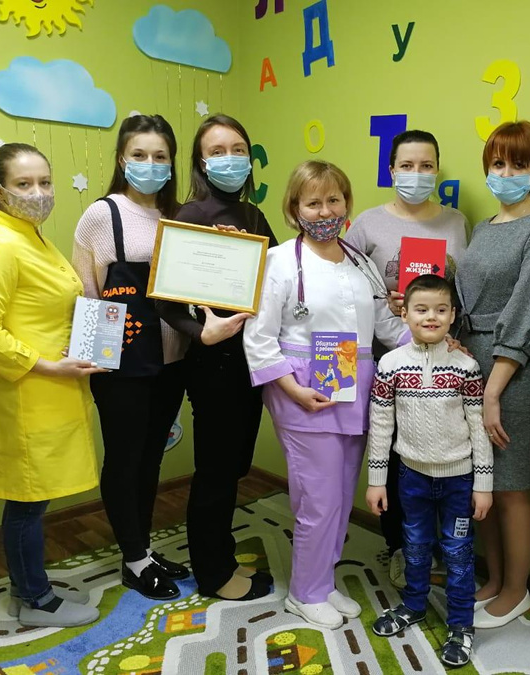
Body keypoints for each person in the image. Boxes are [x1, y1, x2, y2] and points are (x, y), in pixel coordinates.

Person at [243, 160, 408, 630]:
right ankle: (305, 593)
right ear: (295, 208)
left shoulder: (360, 261)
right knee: (317, 499)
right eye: (313, 202)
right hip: (302, 389)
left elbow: (385, 325)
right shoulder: (279, 262)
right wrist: (291, 388)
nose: (325, 211)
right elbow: (258, 336)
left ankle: (322, 580)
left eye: (333, 200)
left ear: (347, 203)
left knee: (338, 494)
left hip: (352, 386)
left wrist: (428, 340)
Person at [0, 143, 100, 628]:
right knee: (26, 504)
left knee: (32, 501)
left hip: (51, 394)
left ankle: (26, 589)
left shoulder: (31, 238)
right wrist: (49, 367)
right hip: (27, 397)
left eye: (44, 182)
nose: (38, 193)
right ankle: (36, 601)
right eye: (24, 184)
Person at [155, 114, 276, 601]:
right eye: (218, 151)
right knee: (216, 471)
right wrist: (200, 333)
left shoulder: (254, 216)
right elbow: (165, 303)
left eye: (238, 149)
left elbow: (278, 279)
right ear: (202, 162)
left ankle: (221, 556)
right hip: (213, 365)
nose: (230, 159)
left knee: (236, 465)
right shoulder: (189, 216)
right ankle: (213, 573)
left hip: (253, 360)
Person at [344, 129, 468, 587]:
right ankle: (399, 546)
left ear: (437, 170)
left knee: (441, 452)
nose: (417, 174)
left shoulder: (456, 222)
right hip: (388, 360)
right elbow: (349, 287)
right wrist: (390, 305)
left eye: (427, 166)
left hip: (444, 362)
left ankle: (441, 547)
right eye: (408, 166)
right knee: (396, 454)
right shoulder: (368, 224)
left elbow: (462, 290)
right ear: (392, 169)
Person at [72, 114, 189, 600]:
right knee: (124, 458)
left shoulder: (178, 215)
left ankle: (140, 548)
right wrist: (92, 362)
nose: (150, 164)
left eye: (160, 156)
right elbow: (87, 291)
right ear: (122, 159)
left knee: (151, 456)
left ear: (172, 162)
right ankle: (134, 558)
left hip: (173, 359)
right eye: (139, 155)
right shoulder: (103, 215)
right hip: (121, 361)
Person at [454, 121, 530, 629]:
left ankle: (517, 591)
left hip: (514, 372)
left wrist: (493, 390)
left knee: (513, 486)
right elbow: (467, 299)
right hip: (471, 365)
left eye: (518, 164)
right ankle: (494, 579)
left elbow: (525, 310)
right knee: (483, 481)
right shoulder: (482, 227)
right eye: (497, 163)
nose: (506, 172)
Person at [365, 274, 493, 668]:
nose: (431, 317)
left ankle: (461, 624)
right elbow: (381, 425)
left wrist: (484, 484)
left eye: (440, 310)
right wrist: (376, 481)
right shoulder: (389, 365)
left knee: (458, 553)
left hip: (459, 480)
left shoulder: (466, 367)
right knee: (415, 546)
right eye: (421, 309)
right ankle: (414, 605)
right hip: (412, 477)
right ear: (404, 314)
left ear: (453, 315)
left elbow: (479, 428)